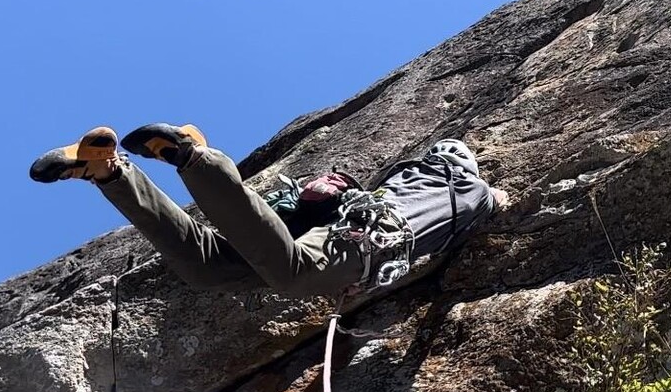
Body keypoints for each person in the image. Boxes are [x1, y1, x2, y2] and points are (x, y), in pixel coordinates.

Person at [30, 123, 498, 298]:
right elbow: (494, 202)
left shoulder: (401, 182)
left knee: (206, 266)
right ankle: (195, 156)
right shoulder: (469, 189)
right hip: (361, 240)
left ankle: (109, 171)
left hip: (318, 227)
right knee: (295, 276)